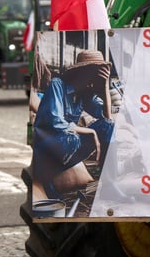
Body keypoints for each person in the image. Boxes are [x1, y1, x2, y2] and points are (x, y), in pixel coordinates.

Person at [31, 49, 115, 200]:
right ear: (83, 72)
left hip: (67, 145)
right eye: (95, 73)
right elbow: (56, 123)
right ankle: (47, 178)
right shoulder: (58, 85)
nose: (96, 77)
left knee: (108, 126)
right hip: (47, 147)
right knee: (72, 138)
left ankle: (109, 185)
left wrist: (105, 88)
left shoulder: (85, 94)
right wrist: (91, 132)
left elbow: (106, 118)